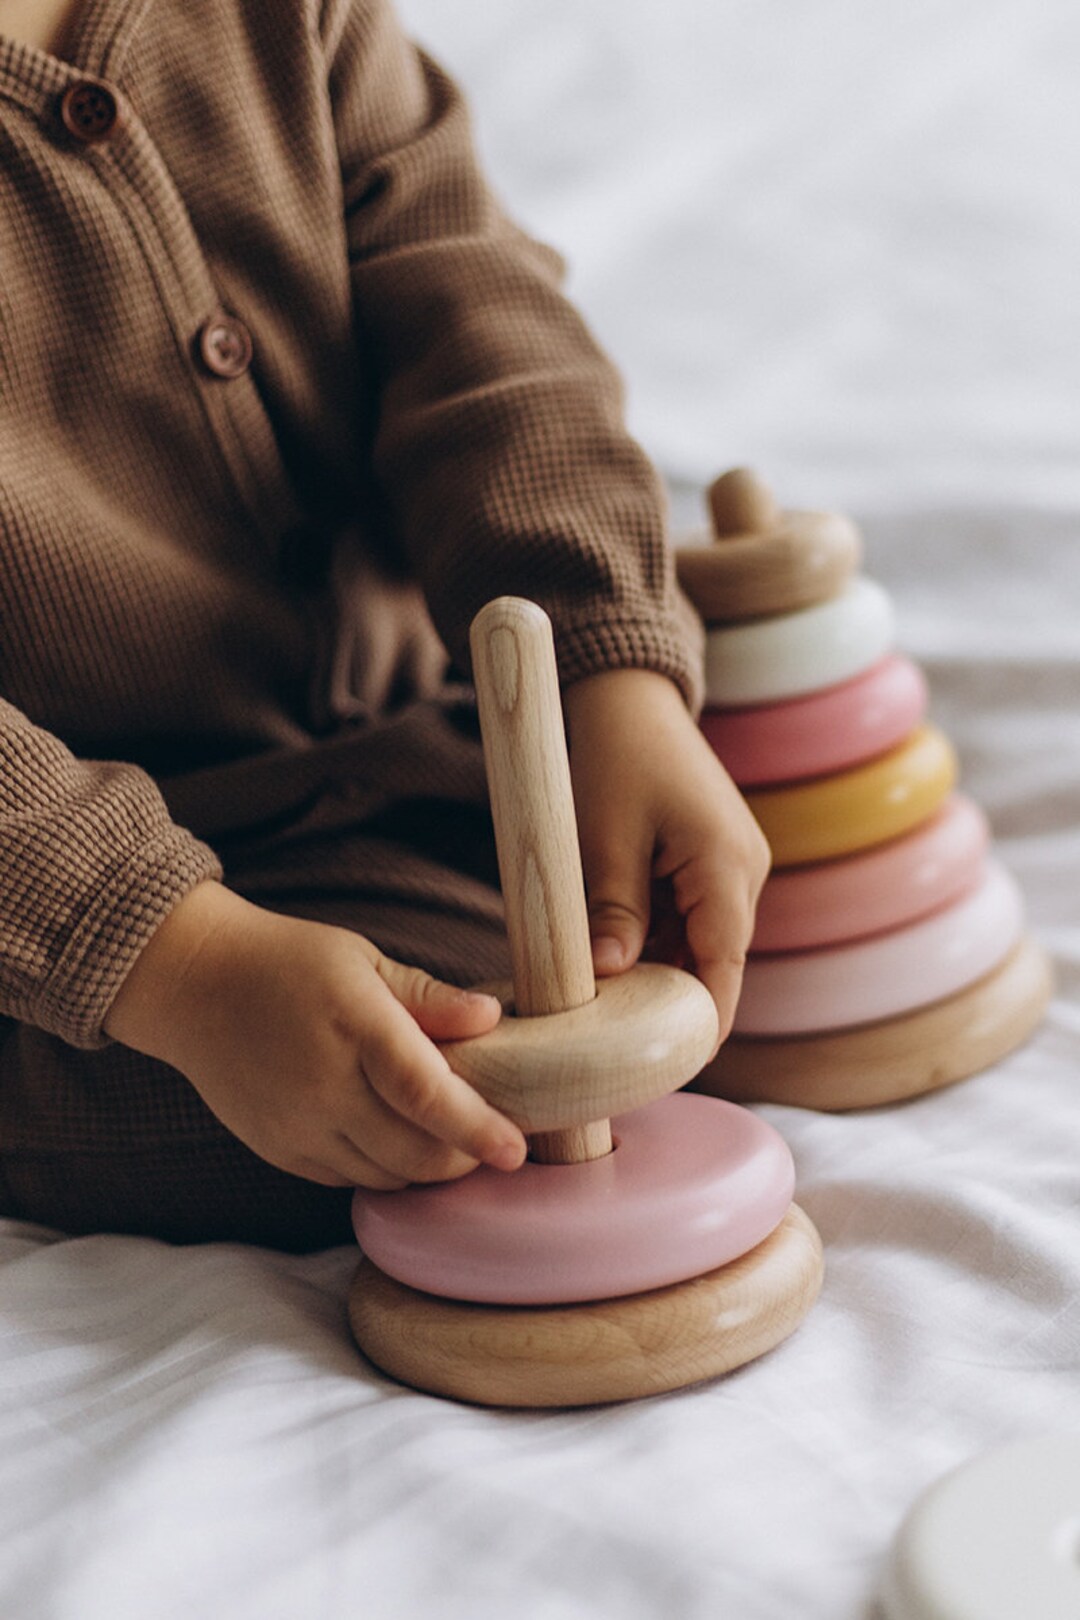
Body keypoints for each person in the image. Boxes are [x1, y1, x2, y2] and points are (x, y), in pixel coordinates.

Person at [0, 0, 769, 1249]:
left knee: (735, 865)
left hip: (424, 738)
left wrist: (611, 676)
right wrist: (182, 969)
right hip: (72, 895)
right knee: (437, 1080)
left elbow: (479, 321)